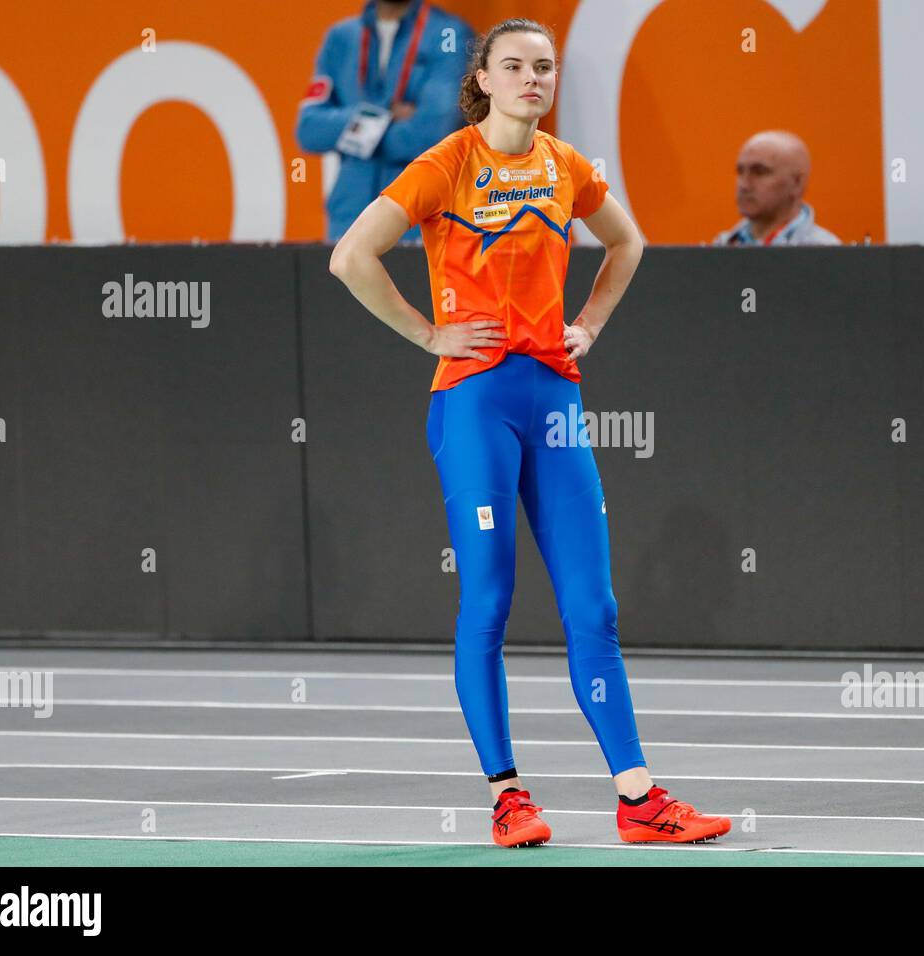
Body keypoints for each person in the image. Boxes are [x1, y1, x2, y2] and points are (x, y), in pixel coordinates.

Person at [329, 17, 732, 848]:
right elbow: (351, 256)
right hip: (474, 402)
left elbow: (627, 242)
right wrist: (428, 334)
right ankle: (508, 796)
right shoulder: (446, 164)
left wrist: (590, 323)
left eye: (543, 67)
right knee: (489, 600)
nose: (531, 79)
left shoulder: (565, 165)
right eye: (513, 66)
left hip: (553, 401)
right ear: (482, 79)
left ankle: (638, 799)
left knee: (594, 606)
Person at [296, 0, 474, 242]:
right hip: (348, 226)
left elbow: (434, 134)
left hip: (420, 224)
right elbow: (309, 130)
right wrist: (386, 113)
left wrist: (353, 132)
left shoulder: (449, 34)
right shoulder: (340, 37)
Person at [711, 130, 842, 246]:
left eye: (760, 172)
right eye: (740, 171)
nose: (744, 185)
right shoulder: (720, 248)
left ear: (797, 183)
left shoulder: (828, 255)